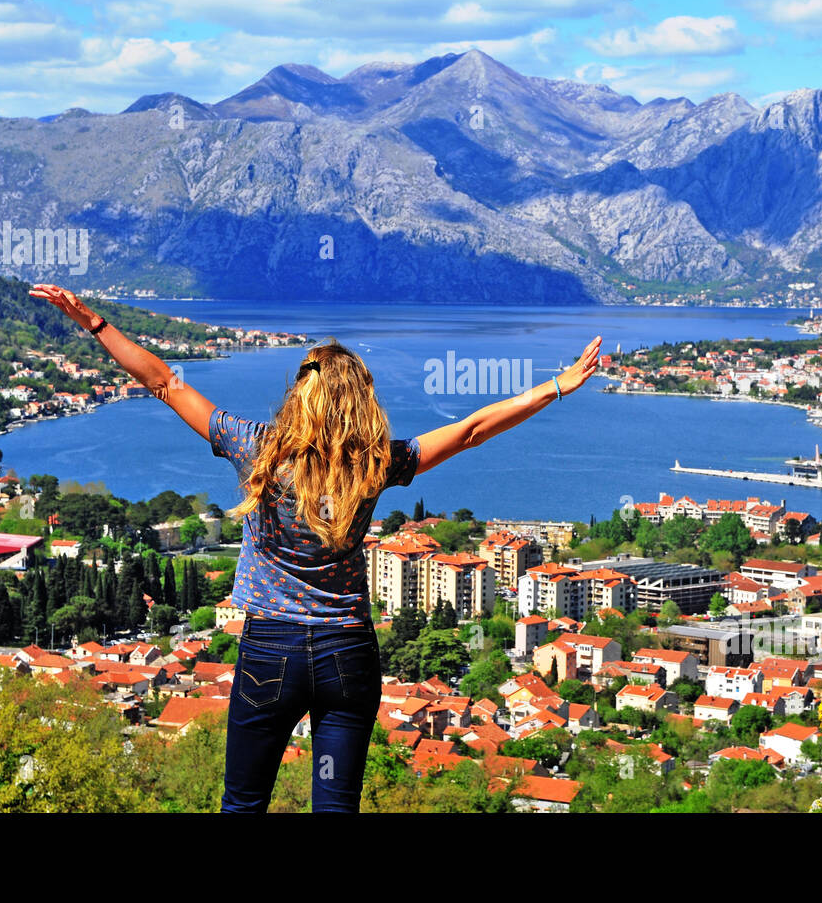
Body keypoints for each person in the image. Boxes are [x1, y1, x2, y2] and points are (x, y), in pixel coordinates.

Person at [29, 283, 601, 811]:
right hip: (346, 657)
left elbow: (165, 382)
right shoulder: (376, 464)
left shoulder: (258, 449)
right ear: (359, 401)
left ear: (302, 393)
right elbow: (474, 428)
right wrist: (556, 386)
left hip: (271, 654)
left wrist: (96, 324)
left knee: (243, 805)